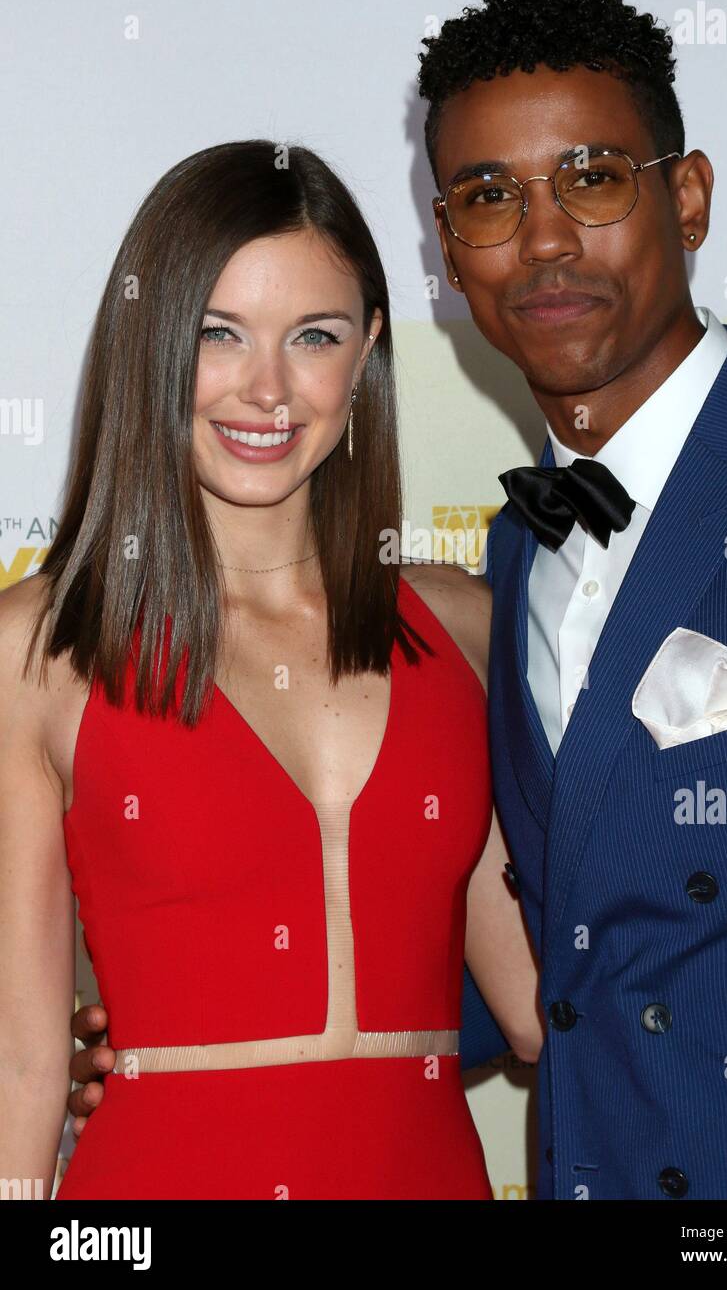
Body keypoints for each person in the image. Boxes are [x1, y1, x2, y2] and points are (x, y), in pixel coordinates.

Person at [0, 140, 544, 1200]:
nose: (266, 388)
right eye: (217, 334)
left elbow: (534, 1003)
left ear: (368, 350)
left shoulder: (465, 625)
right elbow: (20, 1066)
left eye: (314, 337)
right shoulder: (38, 650)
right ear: (150, 347)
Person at [414, 0, 727, 1201]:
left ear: (687, 196)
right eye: (489, 198)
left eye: (593, 177)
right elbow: (573, 944)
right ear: (450, 251)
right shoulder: (516, 552)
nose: (543, 238)